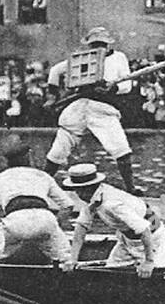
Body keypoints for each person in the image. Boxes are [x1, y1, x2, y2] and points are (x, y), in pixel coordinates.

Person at [44, 27, 137, 192]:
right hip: (78, 106)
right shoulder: (83, 58)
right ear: (89, 45)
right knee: (59, 149)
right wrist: (52, 96)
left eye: (101, 44)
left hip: (102, 108)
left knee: (121, 149)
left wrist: (112, 89)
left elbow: (127, 84)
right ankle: (43, 185)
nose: (98, 47)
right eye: (94, 44)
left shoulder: (118, 58)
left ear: (108, 45)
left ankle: (131, 188)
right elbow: (55, 71)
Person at [0, 135, 75, 266]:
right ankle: (69, 268)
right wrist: (55, 223)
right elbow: (68, 205)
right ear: (29, 159)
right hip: (45, 219)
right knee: (66, 258)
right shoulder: (43, 176)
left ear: (8, 162)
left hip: (15, 223)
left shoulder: (1, 177)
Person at [60, 163, 165, 277]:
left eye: (81, 190)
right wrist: (73, 259)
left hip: (153, 237)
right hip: (127, 239)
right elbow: (81, 228)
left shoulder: (111, 204)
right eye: (76, 190)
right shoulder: (92, 200)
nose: (79, 194)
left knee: (152, 274)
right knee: (111, 270)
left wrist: (149, 261)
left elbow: (144, 229)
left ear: (91, 187)